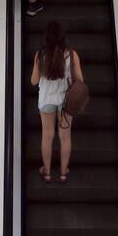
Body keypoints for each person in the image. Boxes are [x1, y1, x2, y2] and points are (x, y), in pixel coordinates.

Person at [31, 21, 82, 183]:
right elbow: (80, 80)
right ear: (63, 37)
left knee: (47, 135)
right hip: (65, 101)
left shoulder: (40, 55)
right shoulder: (72, 55)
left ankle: (47, 172)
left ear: (46, 37)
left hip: (46, 99)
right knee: (65, 136)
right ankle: (63, 172)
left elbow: (34, 81)